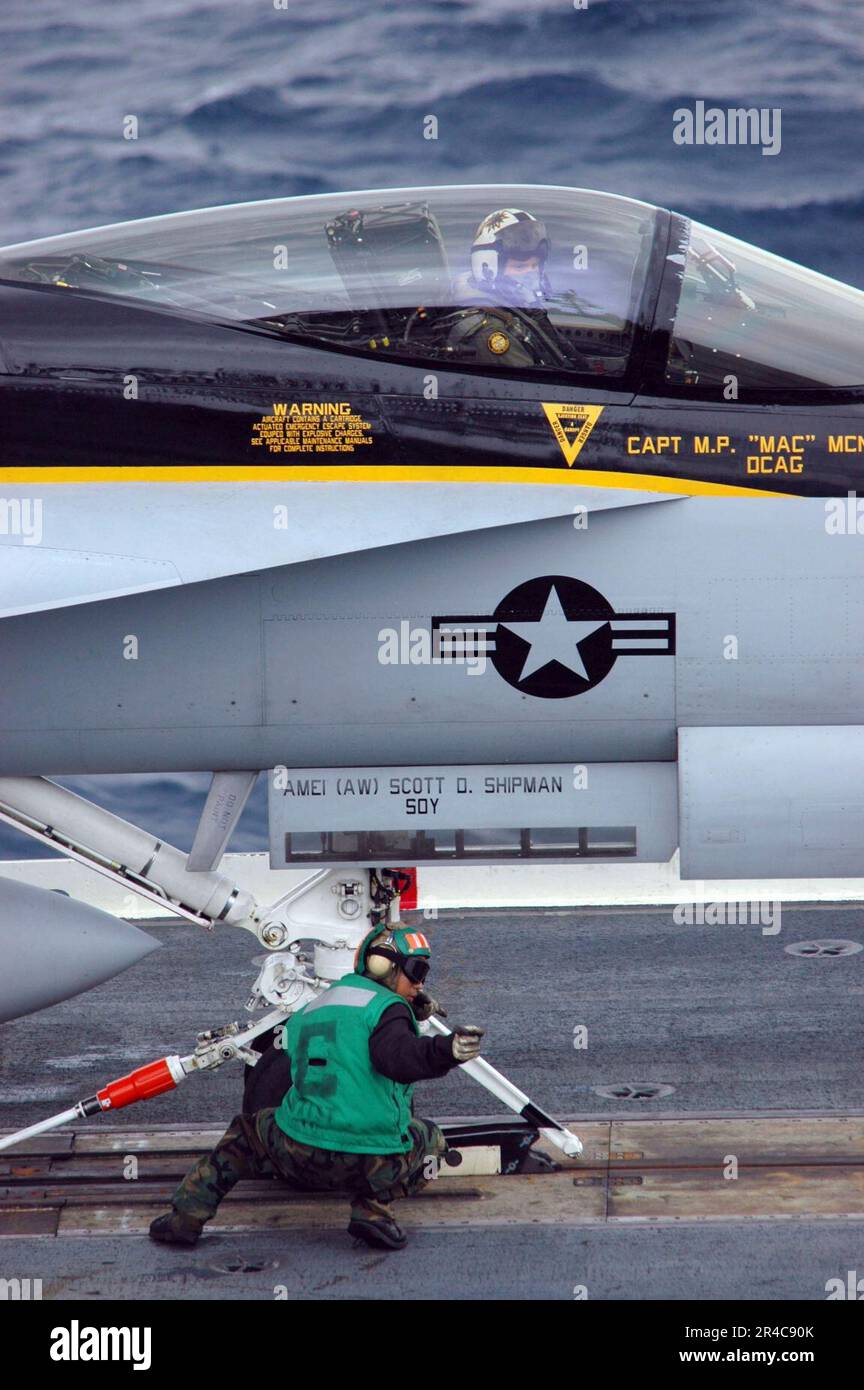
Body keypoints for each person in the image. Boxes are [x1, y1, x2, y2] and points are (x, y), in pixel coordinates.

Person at [148, 925, 483, 1251]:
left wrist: (406, 1009)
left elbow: (308, 1055)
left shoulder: (312, 1008)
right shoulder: (389, 1010)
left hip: (297, 1151)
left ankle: (184, 1220)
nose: (421, 983)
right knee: (432, 1140)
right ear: (384, 966)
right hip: (373, 1163)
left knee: (245, 1132)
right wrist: (445, 1049)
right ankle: (373, 1212)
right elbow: (399, 1057)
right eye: (416, 971)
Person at [447, 207, 575, 368]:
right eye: (520, 268)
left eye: (535, 265)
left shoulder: (520, 312)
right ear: (488, 269)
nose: (531, 273)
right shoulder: (490, 331)